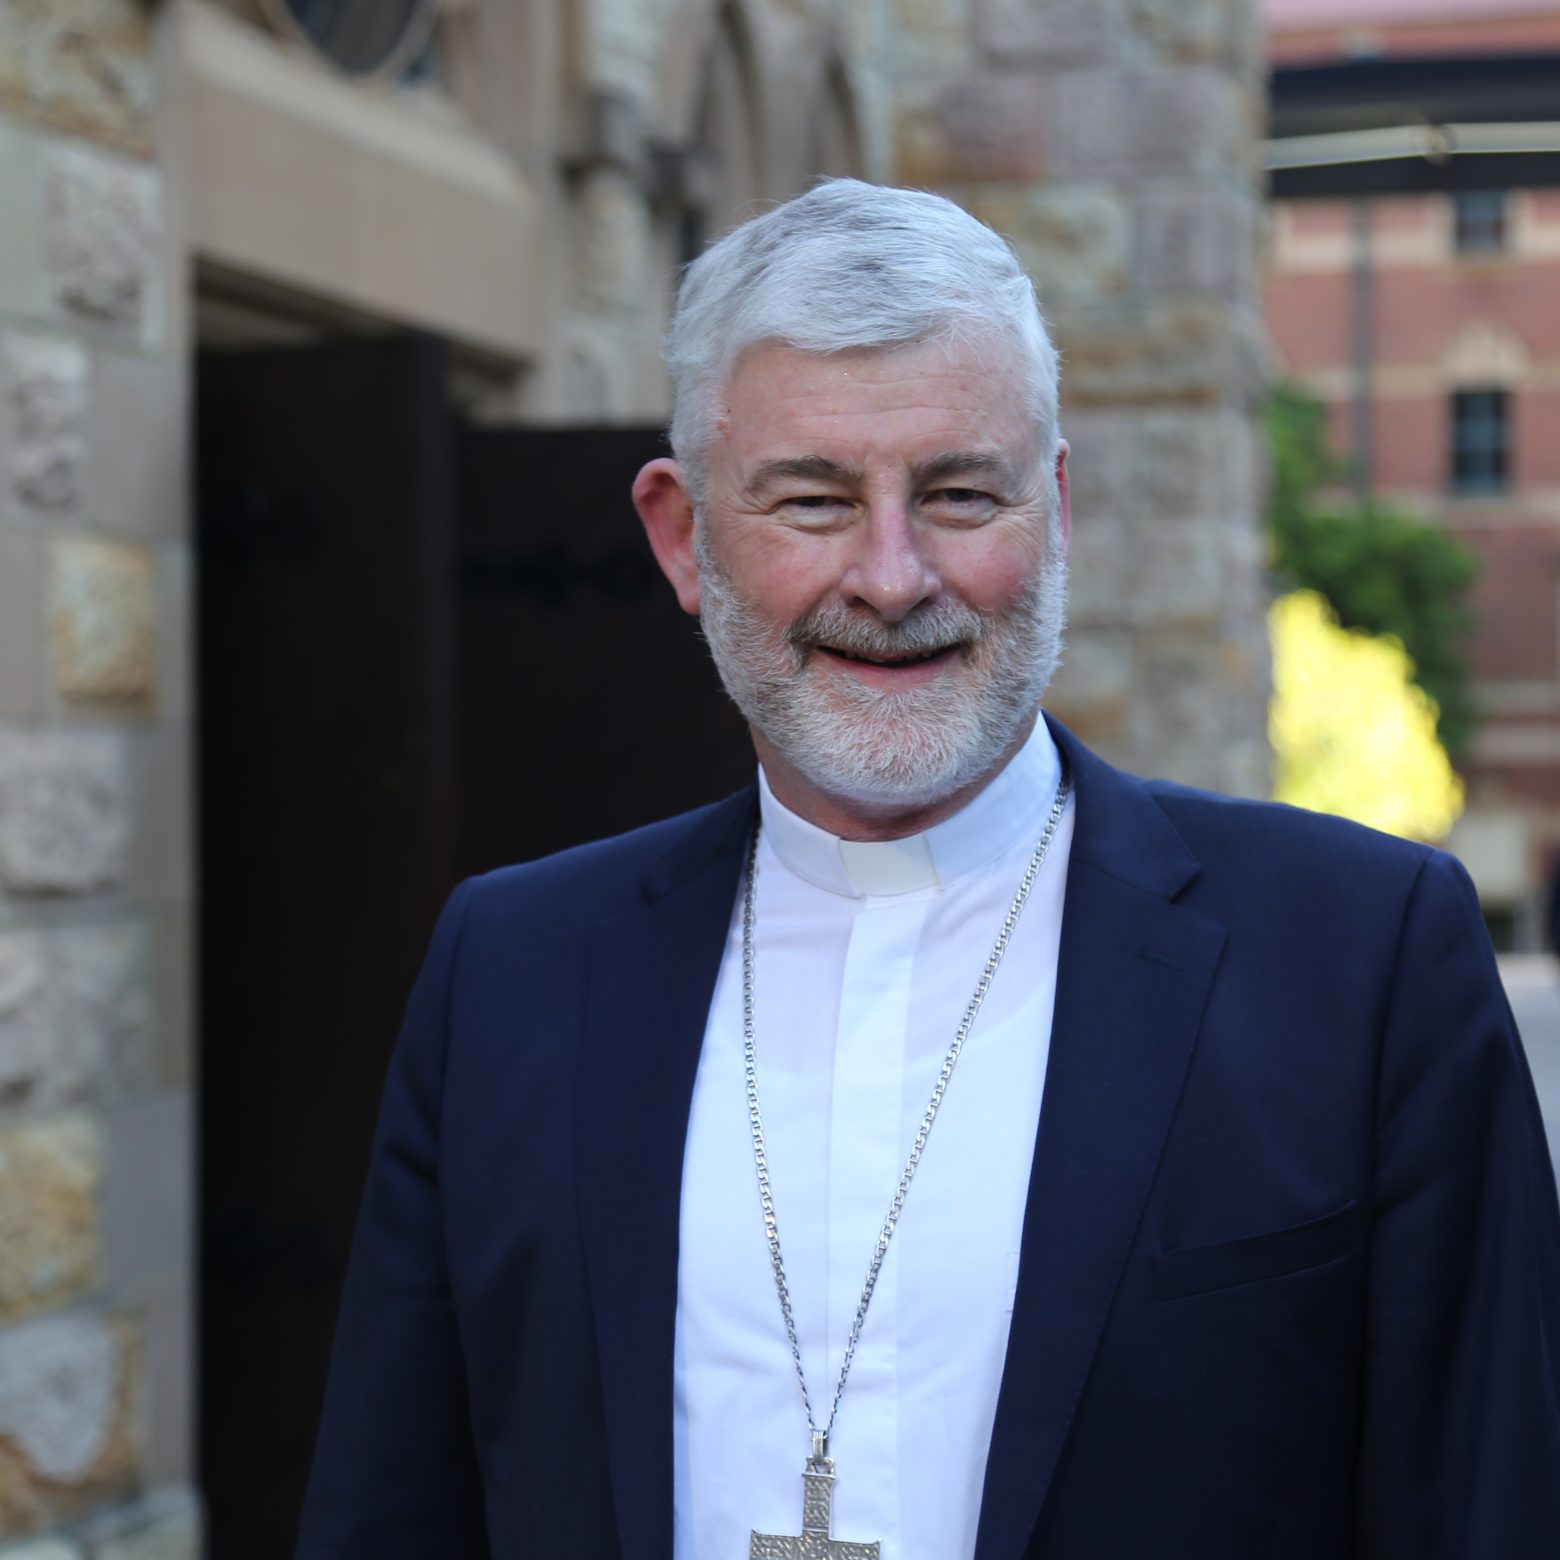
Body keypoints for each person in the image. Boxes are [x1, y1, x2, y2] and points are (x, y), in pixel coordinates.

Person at [296, 180, 1560, 1560]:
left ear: (1057, 508)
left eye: (961, 494)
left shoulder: (1363, 962)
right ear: (682, 538)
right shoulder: (513, 969)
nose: (893, 578)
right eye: (812, 502)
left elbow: (1488, 1507)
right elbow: (392, 1514)